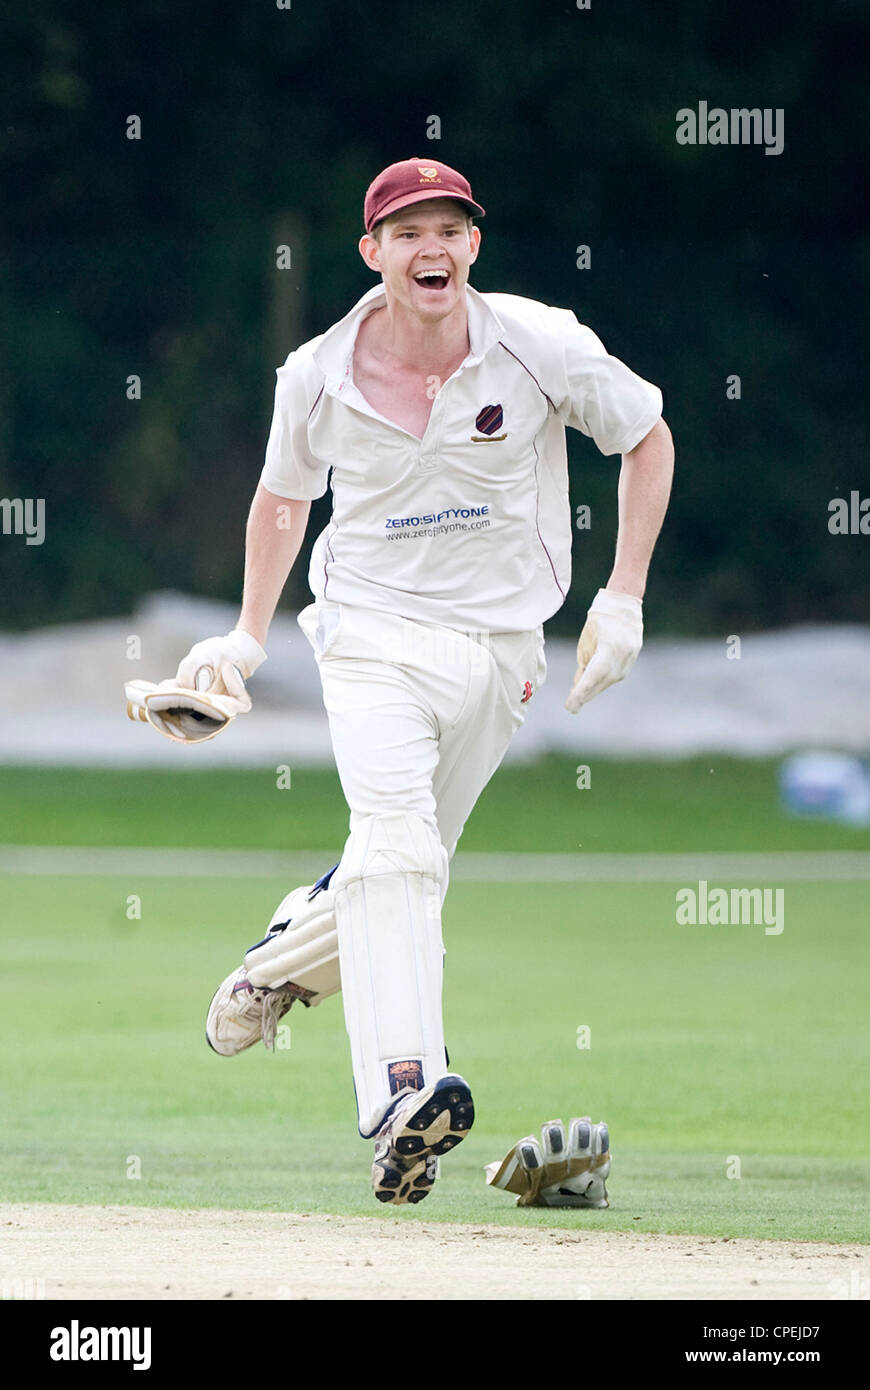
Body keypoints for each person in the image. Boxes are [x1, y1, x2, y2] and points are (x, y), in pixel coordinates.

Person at [179, 157, 674, 1206]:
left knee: (403, 867)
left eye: (449, 227)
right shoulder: (317, 372)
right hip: (369, 638)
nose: (431, 246)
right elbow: (280, 502)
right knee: (399, 846)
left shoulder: (539, 344)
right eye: (407, 232)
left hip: (501, 650)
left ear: (474, 247)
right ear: (374, 253)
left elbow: (645, 436)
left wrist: (623, 595)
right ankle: (404, 1096)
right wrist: (245, 639)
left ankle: (277, 963)